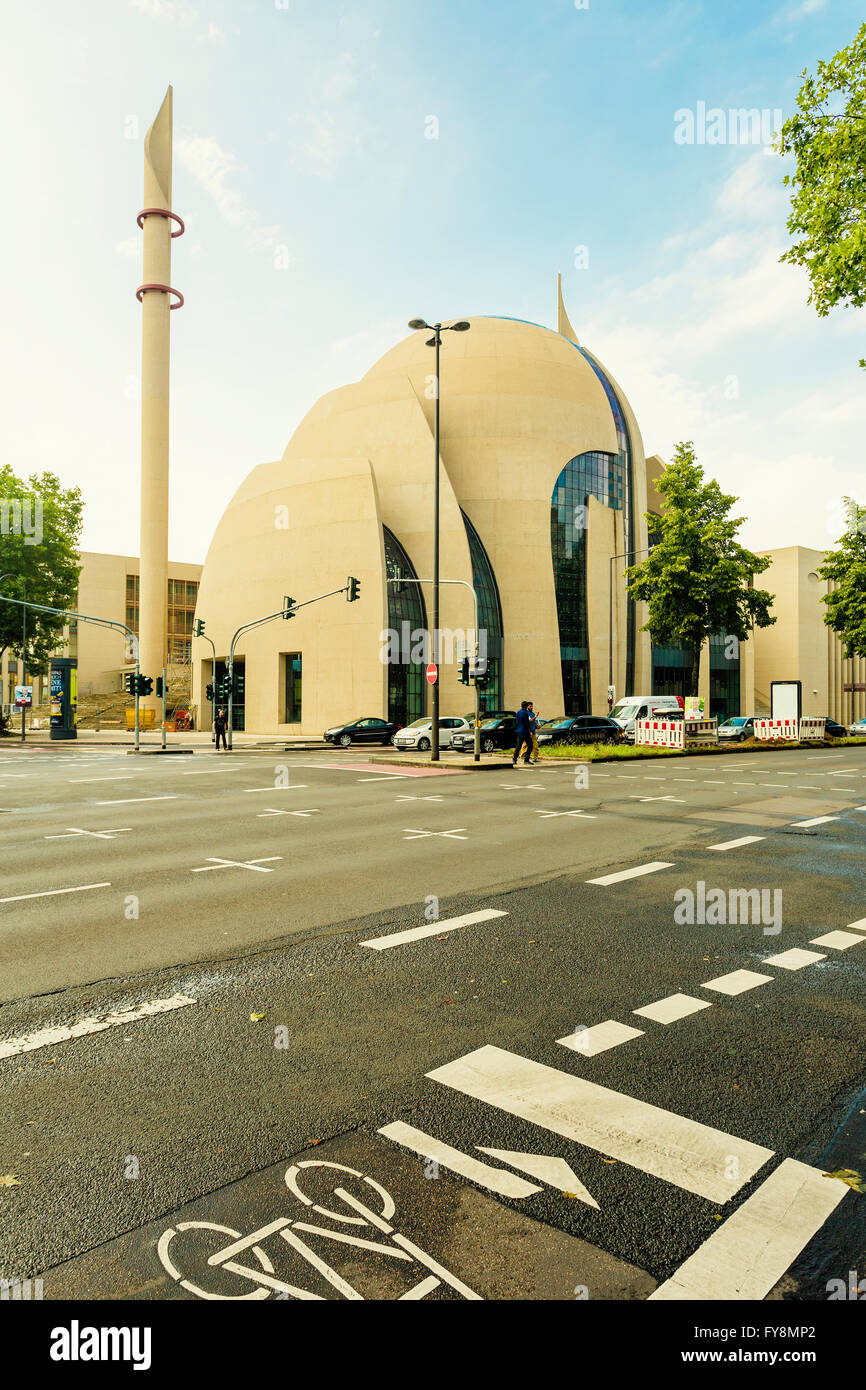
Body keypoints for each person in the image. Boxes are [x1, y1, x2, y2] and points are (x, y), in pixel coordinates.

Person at [512, 701, 533, 767]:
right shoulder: (525, 713)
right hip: (525, 731)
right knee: (530, 745)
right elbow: (527, 723)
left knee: (518, 746)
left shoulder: (518, 712)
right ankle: (526, 759)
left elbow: (517, 721)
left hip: (519, 731)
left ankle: (514, 759)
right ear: (526, 706)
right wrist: (530, 731)